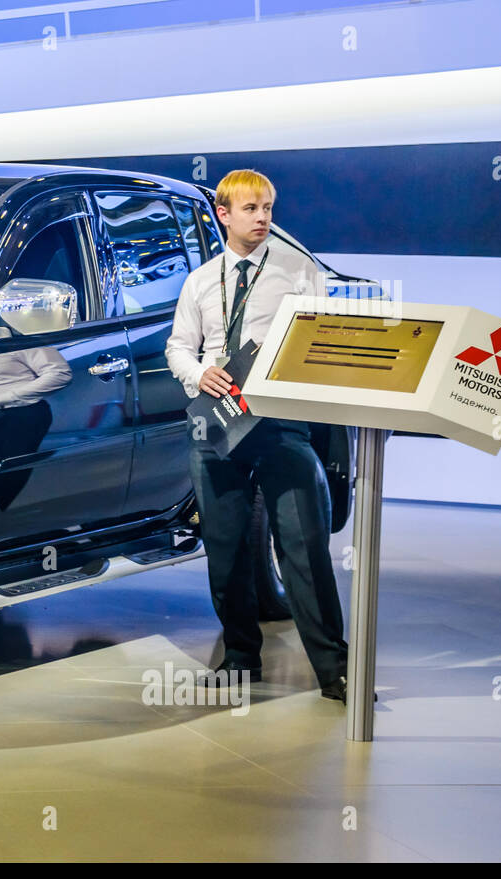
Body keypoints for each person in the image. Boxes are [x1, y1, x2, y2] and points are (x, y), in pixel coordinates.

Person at [165, 169, 352, 703]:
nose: (263, 217)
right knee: (225, 549)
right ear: (224, 214)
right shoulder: (201, 280)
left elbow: (326, 334)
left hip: (278, 423)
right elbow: (178, 346)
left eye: (268, 207)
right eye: (251, 208)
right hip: (214, 424)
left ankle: (334, 670)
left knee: (304, 546)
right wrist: (198, 372)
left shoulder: (299, 269)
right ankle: (241, 658)